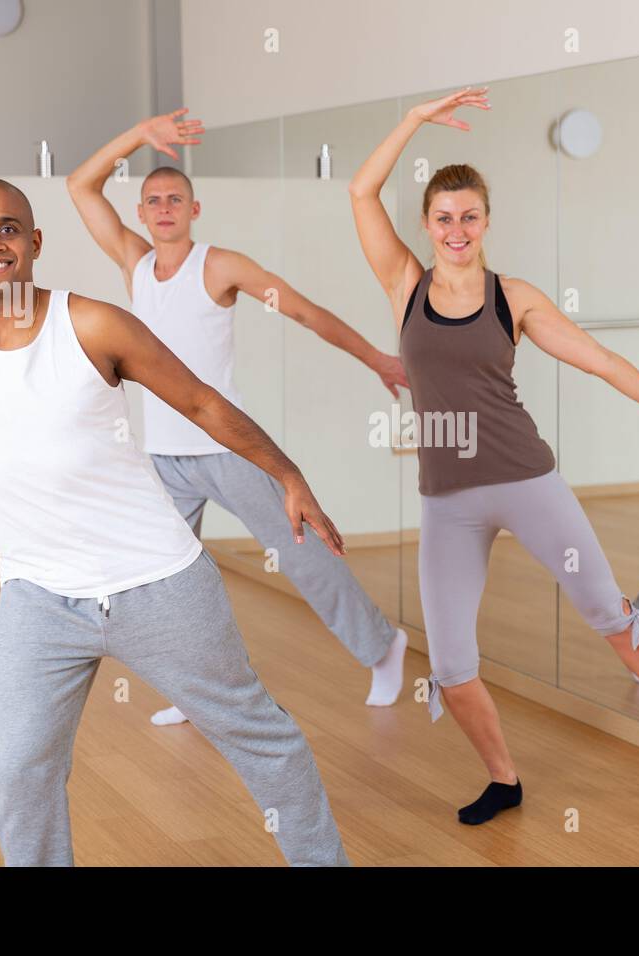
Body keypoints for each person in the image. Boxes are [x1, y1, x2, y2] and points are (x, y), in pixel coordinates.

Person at [0, 76, 351, 865]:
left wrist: (288, 474)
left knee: (260, 739)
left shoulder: (92, 323)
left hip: (159, 583)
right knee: (23, 771)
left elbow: (202, 403)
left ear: (35, 242)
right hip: (38, 599)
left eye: (8, 229)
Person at [349, 86, 639, 824]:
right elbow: (360, 189)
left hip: (527, 481)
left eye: (470, 215)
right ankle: (504, 779)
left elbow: (600, 361)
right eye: (444, 217)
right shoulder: (403, 285)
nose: (457, 228)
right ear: (426, 225)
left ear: (488, 222)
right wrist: (413, 120)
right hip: (446, 503)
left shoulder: (515, 298)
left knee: (609, 614)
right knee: (447, 664)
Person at [67, 111, 411, 721]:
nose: (164, 207)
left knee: (302, 554)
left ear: (194, 210)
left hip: (229, 448)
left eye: (176, 198)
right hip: (165, 458)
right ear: (141, 214)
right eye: (153, 200)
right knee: (168, 582)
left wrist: (377, 359)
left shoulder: (220, 266)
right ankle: (198, 692)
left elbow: (305, 313)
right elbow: (80, 187)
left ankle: (383, 649)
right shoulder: (135, 264)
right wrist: (138, 134)